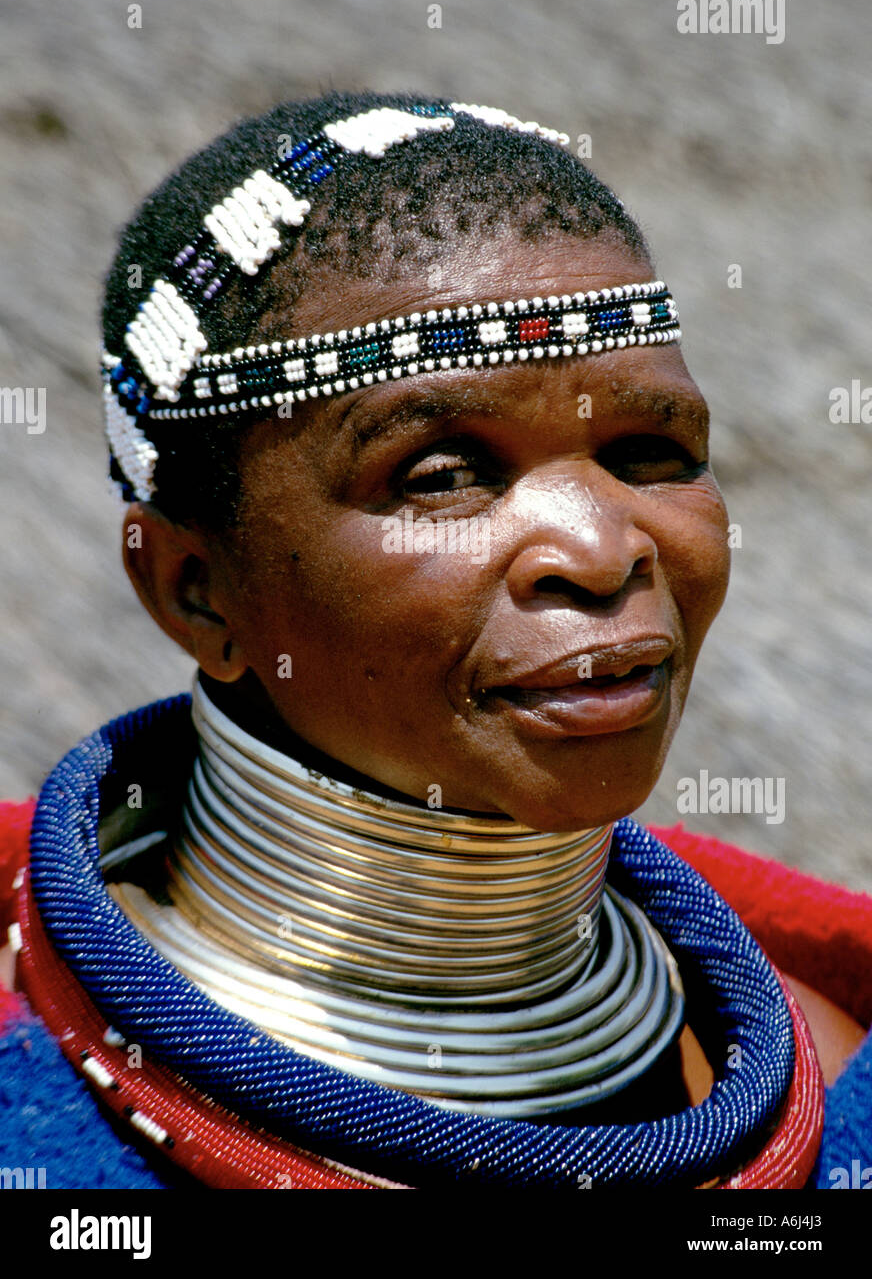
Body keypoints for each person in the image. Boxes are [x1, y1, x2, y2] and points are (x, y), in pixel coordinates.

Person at [1, 90, 870, 1191]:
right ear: (196, 590)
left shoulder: (820, 1091)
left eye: (651, 450)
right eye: (443, 474)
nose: (600, 549)